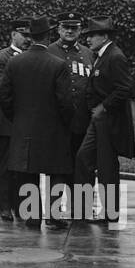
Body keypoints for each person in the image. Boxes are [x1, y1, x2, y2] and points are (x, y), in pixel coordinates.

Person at [0, 15, 74, 229]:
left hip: (24, 128)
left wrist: (18, 119)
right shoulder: (58, 65)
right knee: (57, 172)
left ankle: (32, 215)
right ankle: (56, 214)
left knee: (27, 173)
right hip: (53, 130)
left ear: (31, 36)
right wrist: (64, 123)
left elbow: (5, 98)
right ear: (48, 36)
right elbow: (66, 102)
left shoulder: (14, 62)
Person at [73, 17, 135, 224]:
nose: (88, 40)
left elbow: (126, 88)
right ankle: (83, 208)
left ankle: (110, 212)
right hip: (99, 120)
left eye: (92, 35)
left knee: (106, 166)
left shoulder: (115, 57)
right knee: (85, 158)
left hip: (109, 120)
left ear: (105, 36)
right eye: (88, 36)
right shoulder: (101, 55)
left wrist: (104, 107)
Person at [0, 20, 32, 219]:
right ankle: (3, 204)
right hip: (6, 120)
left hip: (26, 121)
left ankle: (19, 203)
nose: (27, 39)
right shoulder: (0, 58)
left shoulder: (32, 56)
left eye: (30, 35)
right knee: (5, 163)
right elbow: (3, 88)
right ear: (14, 34)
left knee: (23, 164)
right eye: (23, 34)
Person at [46, 14, 94, 164]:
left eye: (74, 28)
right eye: (66, 27)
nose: (69, 31)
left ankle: (81, 189)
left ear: (80, 31)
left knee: (82, 164)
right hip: (56, 119)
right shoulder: (49, 51)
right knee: (57, 166)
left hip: (82, 118)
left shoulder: (88, 53)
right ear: (59, 29)